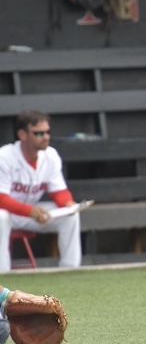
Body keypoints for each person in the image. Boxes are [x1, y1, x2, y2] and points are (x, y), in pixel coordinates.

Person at [0, 111, 83, 272]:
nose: (45, 137)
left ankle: (71, 269)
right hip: (9, 212)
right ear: (22, 134)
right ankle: (3, 273)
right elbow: (1, 198)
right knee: (0, 217)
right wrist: (29, 211)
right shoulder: (4, 156)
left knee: (70, 215)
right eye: (39, 133)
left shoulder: (50, 155)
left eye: (47, 132)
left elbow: (59, 190)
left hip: (32, 212)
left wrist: (68, 203)